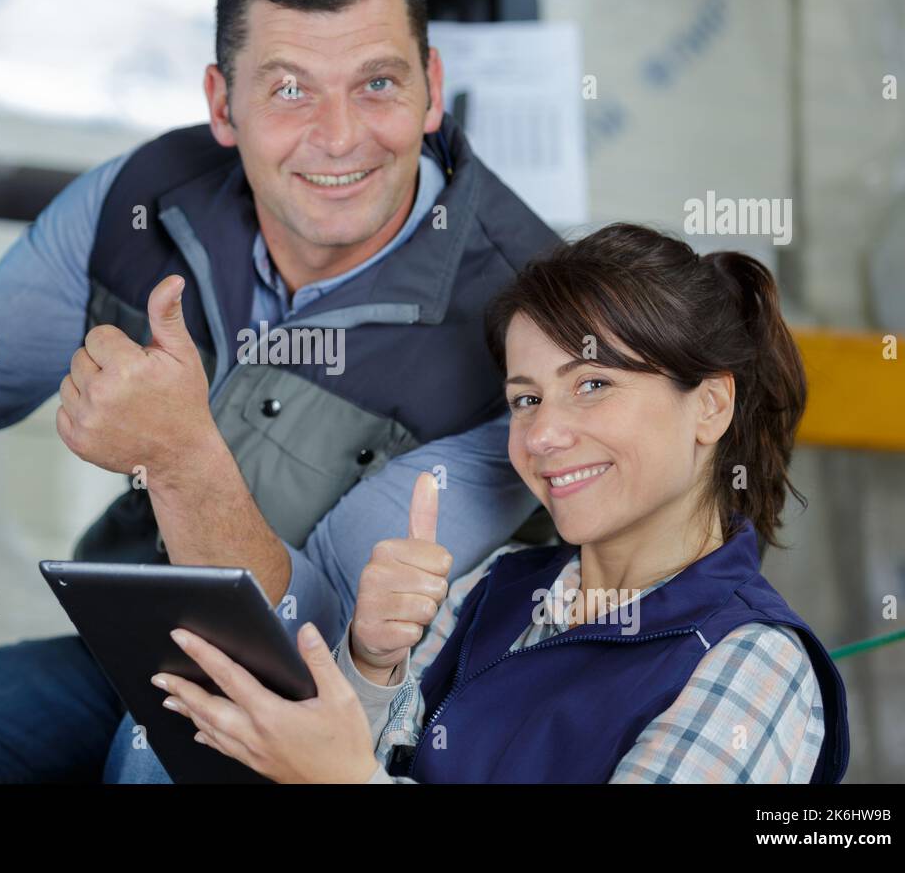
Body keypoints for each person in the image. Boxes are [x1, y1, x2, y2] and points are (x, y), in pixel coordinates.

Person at [0, 0, 561, 782]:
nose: (340, 136)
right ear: (221, 103)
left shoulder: (521, 322)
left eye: (378, 85)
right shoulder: (140, 200)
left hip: (345, 725)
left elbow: (307, 650)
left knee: (152, 759)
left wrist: (180, 459)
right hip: (137, 660)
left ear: (432, 91)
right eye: (289, 90)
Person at [151, 223, 852, 783]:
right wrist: (371, 662)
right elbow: (365, 756)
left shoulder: (753, 665)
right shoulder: (496, 587)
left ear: (710, 405)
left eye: (594, 385)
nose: (543, 434)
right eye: (526, 398)